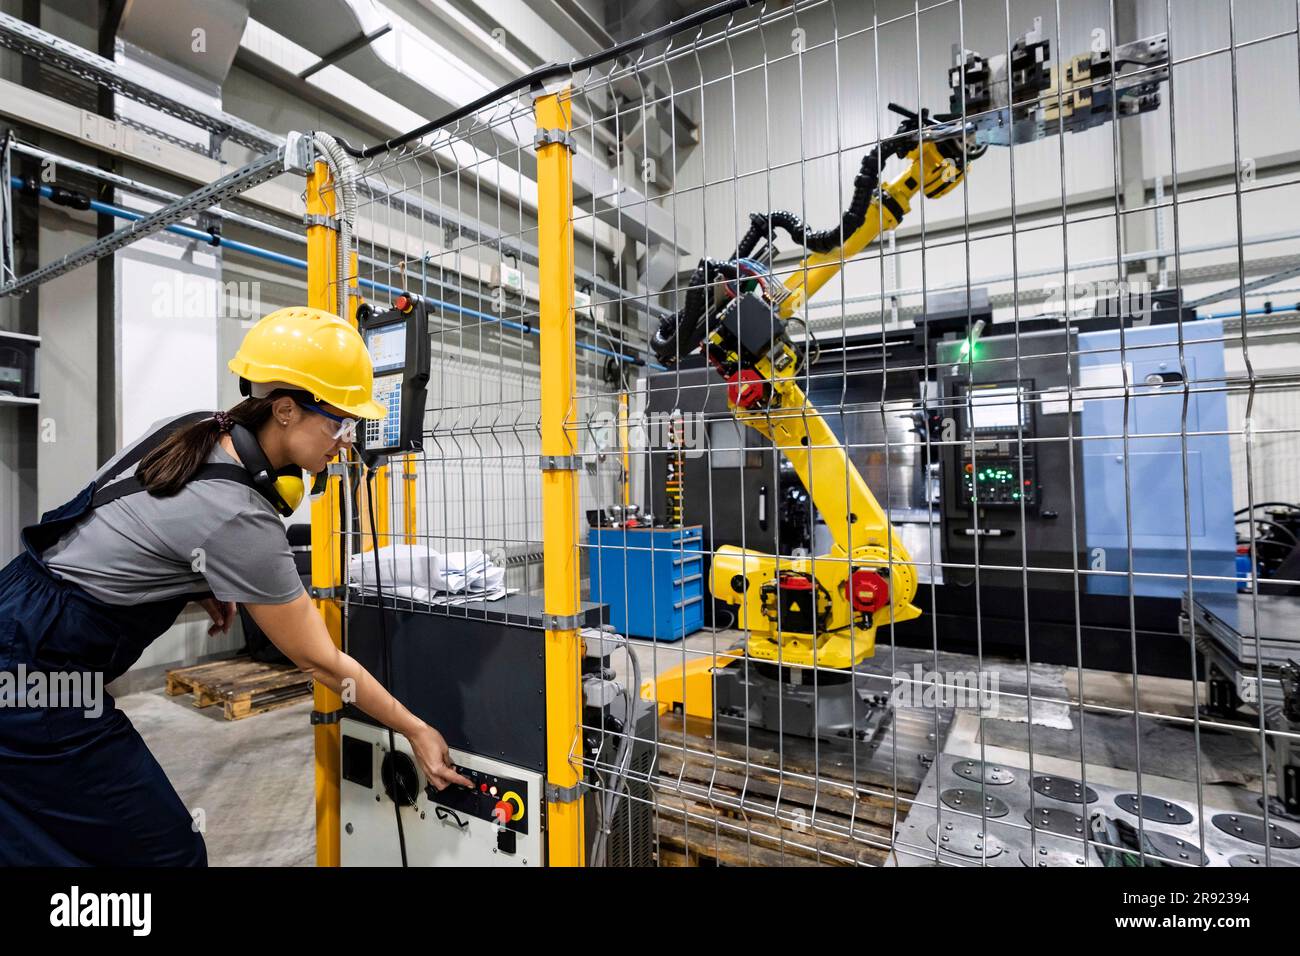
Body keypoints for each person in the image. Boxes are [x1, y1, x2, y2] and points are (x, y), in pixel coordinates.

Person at [0, 305, 470, 866]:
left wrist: (200, 581)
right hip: (37, 674)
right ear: (287, 409)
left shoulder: (193, 428)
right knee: (166, 855)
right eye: (340, 422)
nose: (347, 441)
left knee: (31, 835)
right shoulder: (240, 518)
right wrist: (415, 729)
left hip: (17, 608)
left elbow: (136, 519)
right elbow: (321, 663)